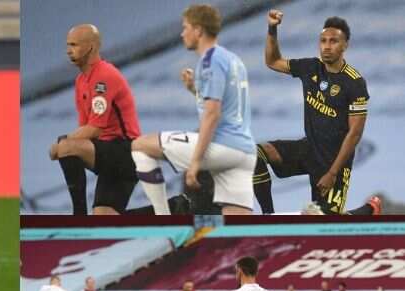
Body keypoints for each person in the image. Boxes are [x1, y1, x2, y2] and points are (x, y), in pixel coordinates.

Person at [130, 4, 257, 215]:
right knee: (238, 230)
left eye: (185, 27)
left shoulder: (209, 61)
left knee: (140, 145)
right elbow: (228, 108)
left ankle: (163, 219)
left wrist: (196, 162)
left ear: (198, 30)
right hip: (244, 151)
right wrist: (196, 91)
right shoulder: (233, 60)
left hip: (221, 148)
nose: (182, 33)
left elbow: (212, 114)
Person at [256, 10, 376, 215]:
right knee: (255, 154)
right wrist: (272, 28)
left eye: (333, 41)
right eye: (323, 41)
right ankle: (268, 216)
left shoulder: (354, 83)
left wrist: (332, 172)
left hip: (334, 161)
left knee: (323, 221)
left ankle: (368, 210)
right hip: (308, 149)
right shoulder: (311, 67)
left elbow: (354, 134)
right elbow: (272, 61)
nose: (327, 46)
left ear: (345, 45)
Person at [49, 24, 142, 215]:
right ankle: (174, 206)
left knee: (66, 145)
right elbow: (84, 127)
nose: (68, 51)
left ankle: (78, 214)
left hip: (126, 152)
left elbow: (95, 129)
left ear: (91, 47)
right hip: (109, 155)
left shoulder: (104, 77)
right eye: (68, 45)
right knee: (104, 216)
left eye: (74, 45)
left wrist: (62, 143)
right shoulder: (81, 81)